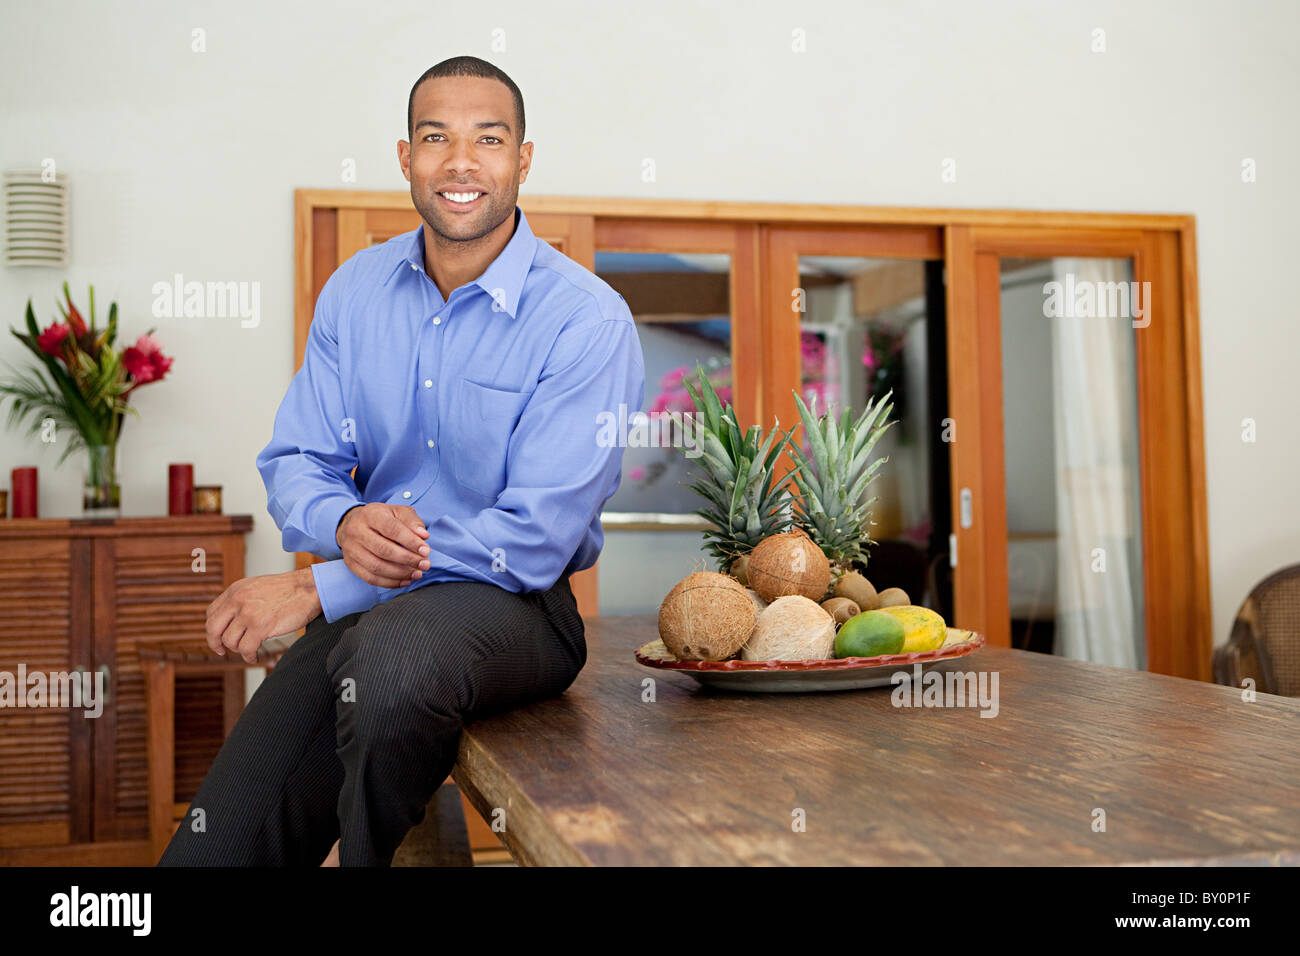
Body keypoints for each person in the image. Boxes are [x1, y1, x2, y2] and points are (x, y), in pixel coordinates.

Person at [159, 56, 645, 867]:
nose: (460, 162)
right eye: (435, 138)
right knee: (213, 852)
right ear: (404, 157)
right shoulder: (355, 292)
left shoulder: (585, 320)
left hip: (517, 607)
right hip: (367, 614)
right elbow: (300, 456)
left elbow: (532, 539)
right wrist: (344, 522)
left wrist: (315, 585)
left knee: (397, 655)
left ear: (523, 160)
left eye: (488, 139)